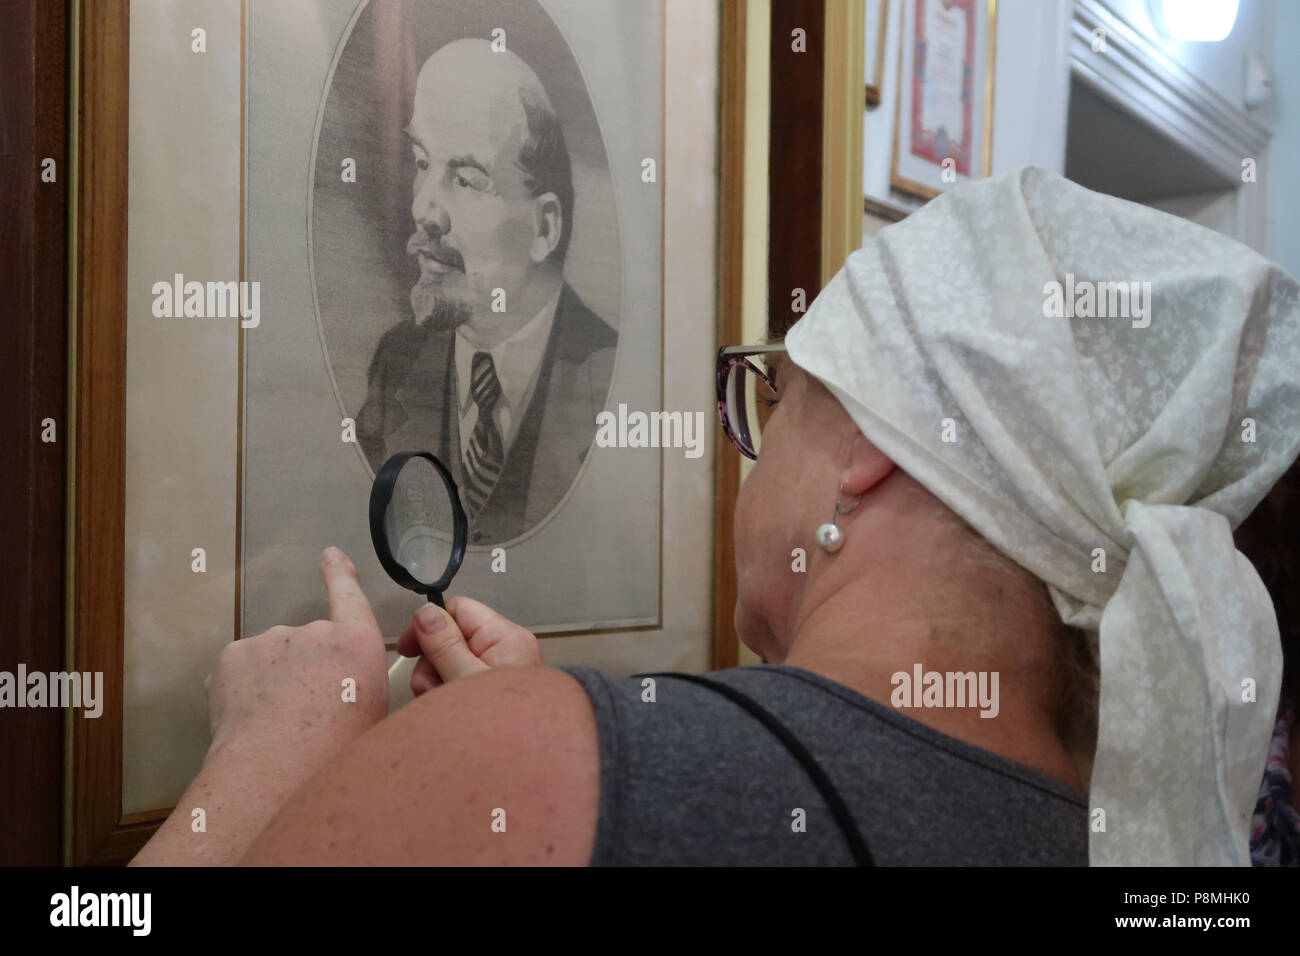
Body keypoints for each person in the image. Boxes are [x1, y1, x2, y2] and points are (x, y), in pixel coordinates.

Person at [132, 167, 1300, 866]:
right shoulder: (1095, 825)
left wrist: (252, 764)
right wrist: (569, 749)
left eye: (779, 396)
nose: (752, 447)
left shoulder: (538, 764)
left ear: (867, 457)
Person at [356, 39, 616, 545]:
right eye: (422, 162)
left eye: (467, 180)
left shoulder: (609, 383)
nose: (424, 210)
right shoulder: (397, 363)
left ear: (543, 227)